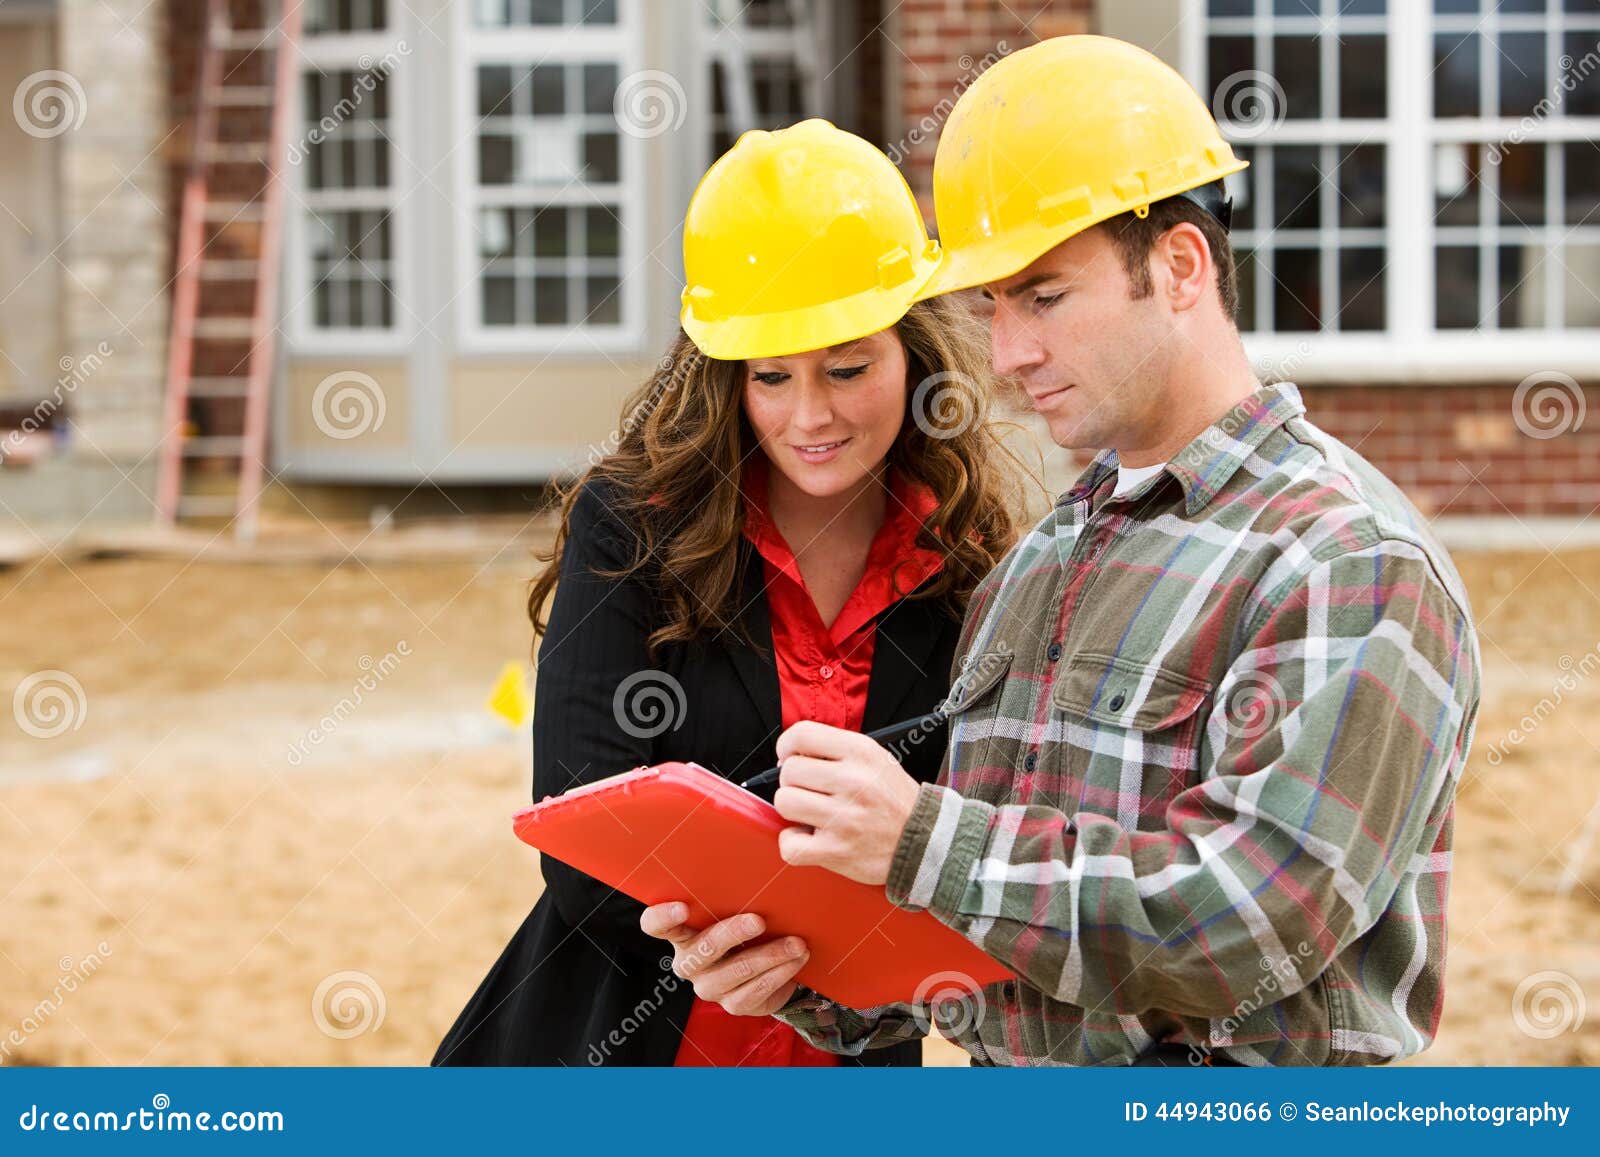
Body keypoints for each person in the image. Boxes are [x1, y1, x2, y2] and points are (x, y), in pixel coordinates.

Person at [641, 36, 1483, 1068]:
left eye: (1043, 296)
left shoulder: (1343, 559)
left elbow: (1259, 923)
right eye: (991, 305)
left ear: (1180, 266)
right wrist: (804, 969)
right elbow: (989, 949)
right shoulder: (1035, 565)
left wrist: (922, 841)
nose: (1008, 353)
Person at [432, 119, 1026, 1067]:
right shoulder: (632, 525)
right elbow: (585, 841)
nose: (811, 415)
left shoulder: (969, 554)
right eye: (771, 377)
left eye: (849, 367)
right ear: (725, 376)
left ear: (915, 352)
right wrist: (780, 936)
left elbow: (972, 836)